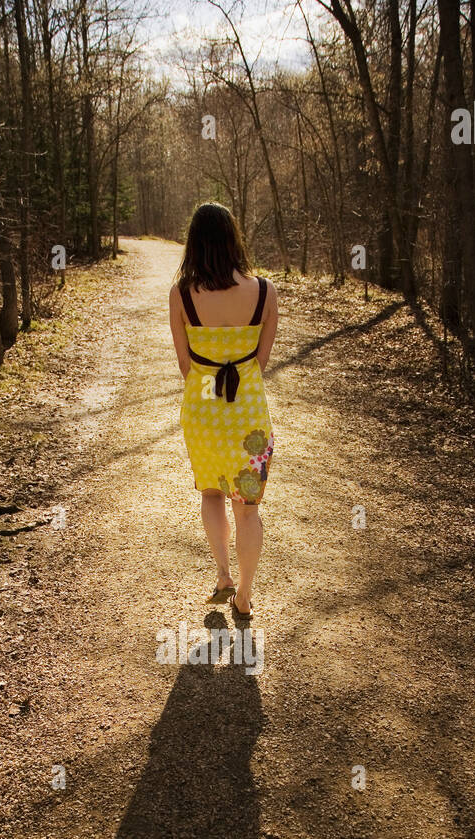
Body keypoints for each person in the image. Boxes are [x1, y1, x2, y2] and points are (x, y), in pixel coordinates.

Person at [169, 202, 278, 621]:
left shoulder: (181, 294)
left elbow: (186, 367)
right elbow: (260, 363)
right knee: (248, 506)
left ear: (194, 244)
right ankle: (245, 595)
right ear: (234, 238)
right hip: (248, 414)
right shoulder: (266, 292)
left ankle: (222, 576)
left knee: (212, 492)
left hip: (203, 411)